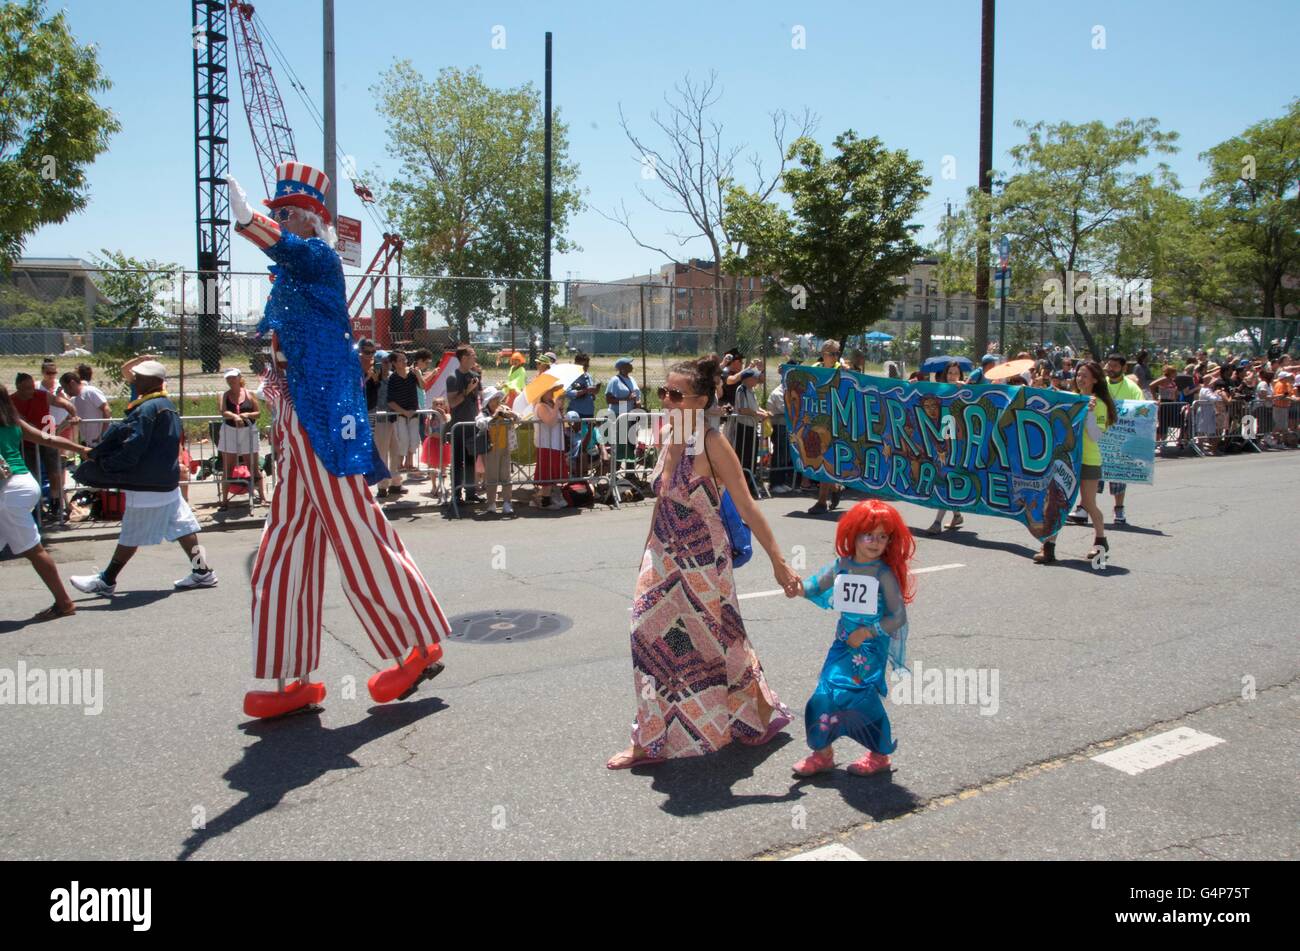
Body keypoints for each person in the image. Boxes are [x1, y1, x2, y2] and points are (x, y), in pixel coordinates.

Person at [226, 162, 449, 718]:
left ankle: (417, 644)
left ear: (311, 218)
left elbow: (289, 251)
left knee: (354, 527)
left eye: (286, 213)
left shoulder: (318, 258)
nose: (281, 218)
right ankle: (289, 678)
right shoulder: (292, 275)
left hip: (324, 416)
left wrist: (249, 219)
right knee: (285, 541)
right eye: (276, 212)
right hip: (295, 412)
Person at [607, 357, 800, 769]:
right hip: (662, 562)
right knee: (647, 640)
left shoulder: (714, 443)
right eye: (664, 392)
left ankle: (754, 715)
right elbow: (661, 503)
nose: (667, 401)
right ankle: (649, 739)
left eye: (676, 395)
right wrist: (645, 557)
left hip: (703, 567)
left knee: (720, 646)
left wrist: (780, 564)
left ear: (700, 401)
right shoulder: (668, 434)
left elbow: (748, 507)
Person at [68, 360, 217, 597]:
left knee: (131, 534)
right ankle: (202, 572)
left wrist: (105, 465)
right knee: (184, 527)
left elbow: (132, 448)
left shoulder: (147, 408)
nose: (134, 381)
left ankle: (106, 580)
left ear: (150, 382)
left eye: (138, 378)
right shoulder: (165, 404)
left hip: (148, 483)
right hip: (164, 480)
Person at [789, 499, 915, 777]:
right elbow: (813, 586)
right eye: (869, 534)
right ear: (854, 533)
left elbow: (898, 616)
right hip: (843, 643)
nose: (876, 542)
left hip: (870, 648)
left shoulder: (884, 574)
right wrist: (795, 587)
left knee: (860, 699)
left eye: (883, 536)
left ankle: (879, 755)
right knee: (823, 694)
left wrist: (869, 631)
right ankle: (822, 754)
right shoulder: (841, 565)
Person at [0, 384, 89, 622]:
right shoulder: (13, 421)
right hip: (24, 484)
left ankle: (64, 602)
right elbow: (46, 437)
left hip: (8, 493)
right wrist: (79, 447)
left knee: (34, 550)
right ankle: (64, 602)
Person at [1034, 361, 1115, 566]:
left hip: (1088, 460)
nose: (1080, 379)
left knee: (1088, 504)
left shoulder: (1100, 404)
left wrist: (1088, 412)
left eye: (1085, 375)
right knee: (1055, 501)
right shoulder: (1071, 399)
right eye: (1078, 375)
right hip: (1066, 459)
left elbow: (1096, 435)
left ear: (1095, 379)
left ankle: (1100, 541)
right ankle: (1048, 547)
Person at [925, 360, 965, 534]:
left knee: (944, 476)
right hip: (940, 442)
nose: (953, 376)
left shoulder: (964, 389)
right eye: (950, 373)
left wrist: (965, 388)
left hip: (957, 443)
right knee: (944, 476)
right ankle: (956, 514)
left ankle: (937, 522)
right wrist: (911, 385)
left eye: (956, 373)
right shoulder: (938, 390)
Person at [217, 369, 265, 509]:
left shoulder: (250, 394)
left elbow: (258, 413)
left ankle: (262, 497)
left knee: (253, 466)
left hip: (248, 431)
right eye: (228, 379)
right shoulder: (224, 395)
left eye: (233, 378)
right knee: (228, 467)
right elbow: (223, 411)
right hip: (230, 431)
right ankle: (224, 501)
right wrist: (235, 416)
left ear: (239, 378)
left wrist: (247, 415)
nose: (231, 381)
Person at [808, 340, 845, 514]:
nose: (836, 356)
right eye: (833, 353)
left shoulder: (841, 369)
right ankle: (836, 488)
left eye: (838, 353)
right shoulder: (815, 367)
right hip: (817, 419)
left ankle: (822, 501)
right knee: (820, 457)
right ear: (824, 354)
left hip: (836, 421)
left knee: (826, 456)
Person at [445, 343, 484, 508]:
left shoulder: (475, 375)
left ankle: (470, 492)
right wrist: (467, 391)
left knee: (470, 461)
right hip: (459, 425)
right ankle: (456, 494)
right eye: (472, 355)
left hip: (472, 424)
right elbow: (452, 403)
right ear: (463, 358)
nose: (475, 357)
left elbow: (479, 399)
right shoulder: (452, 377)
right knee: (457, 461)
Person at [475, 386, 517, 516]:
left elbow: (519, 419)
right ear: (488, 401)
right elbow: (480, 423)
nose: (497, 401)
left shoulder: (504, 409)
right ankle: (491, 503)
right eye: (494, 399)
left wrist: (512, 415)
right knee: (491, 477)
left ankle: (507, 503)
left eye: (498, 398)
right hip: (490, 449)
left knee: (506, 476)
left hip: (505, 447)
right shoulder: (483, 413)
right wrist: (494, 416)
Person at [384, 349, 423, 485]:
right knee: (403, 439)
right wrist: (403, 412)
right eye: (401, 360)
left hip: (413, 412)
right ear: (394, 363)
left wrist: (418, 375)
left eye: (405, 359)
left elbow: (423, 386)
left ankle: (410, 462)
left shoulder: (412, 375)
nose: (404, 362)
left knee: (414, 439)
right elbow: (390, 401)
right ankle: (400, 464)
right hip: (400, 414)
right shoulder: (393, 378)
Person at [731, 367, 767, 498]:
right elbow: (742, 409)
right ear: (748, 379)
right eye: (754, 377)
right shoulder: (741, 390)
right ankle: (743, 486)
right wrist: (758, 413)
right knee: (744, 457)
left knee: (752, 457)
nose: (757, 380)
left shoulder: (751, 391)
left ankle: (750, 483)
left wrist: (763, 412)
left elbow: (754, 407)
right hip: (743, 427)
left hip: (752, 427)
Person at [532, 384, 568, 509]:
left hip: (556, 444)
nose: (552, 393)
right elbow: (550, 422)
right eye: (549, 390)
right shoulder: (541, 406)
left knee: (553, 474)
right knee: (547, 474)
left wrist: (559, 409)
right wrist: (556, 407)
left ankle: (541, 497)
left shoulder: (551, 405)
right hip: (546, 444)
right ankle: (544, 501)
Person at [605, 357, 641, 471]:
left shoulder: (632, 379)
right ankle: (615, 472)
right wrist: (627, 399)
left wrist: (638, 402)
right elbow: (609, 399)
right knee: (620, 444)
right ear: (622, 368)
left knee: (631, 444)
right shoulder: (614, 380)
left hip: (631, 416)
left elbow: (636, 395)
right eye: (629, 364)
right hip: (618, 417)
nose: (631, 366)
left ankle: (630, 472)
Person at [64, 370, 110, 448]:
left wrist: (103, 434)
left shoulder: (90, 392)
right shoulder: (73, 399)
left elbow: (107, 410)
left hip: (102, 443)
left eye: (65, 387)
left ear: (72, 383)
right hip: (88, 443)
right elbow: (68, 418)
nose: (65, 391)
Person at [767, 379, 793, 494]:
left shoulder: (788, 393)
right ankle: (775, 483)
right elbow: (785, 409)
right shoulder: (778, 393)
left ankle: (781, 482)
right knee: (779, 453)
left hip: (785, 427)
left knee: (785, 454)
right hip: (778, 426)